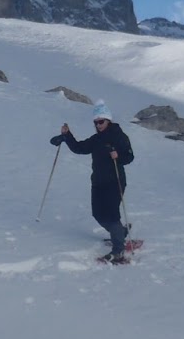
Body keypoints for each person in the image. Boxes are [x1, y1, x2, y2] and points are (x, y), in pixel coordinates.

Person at [54, 101, 135, 262]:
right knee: (98, 214)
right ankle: (120, 232)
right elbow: (79, 148)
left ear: (108, 120)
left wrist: (118, 156)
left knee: (111, 215)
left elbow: (129, 156)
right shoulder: (96, 139)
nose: (98, 125)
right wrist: (67, 135)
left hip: (115, 181)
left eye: (101, 121)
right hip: (98, 182)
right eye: (96, 122)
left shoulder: (119, 136)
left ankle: (118, 249)